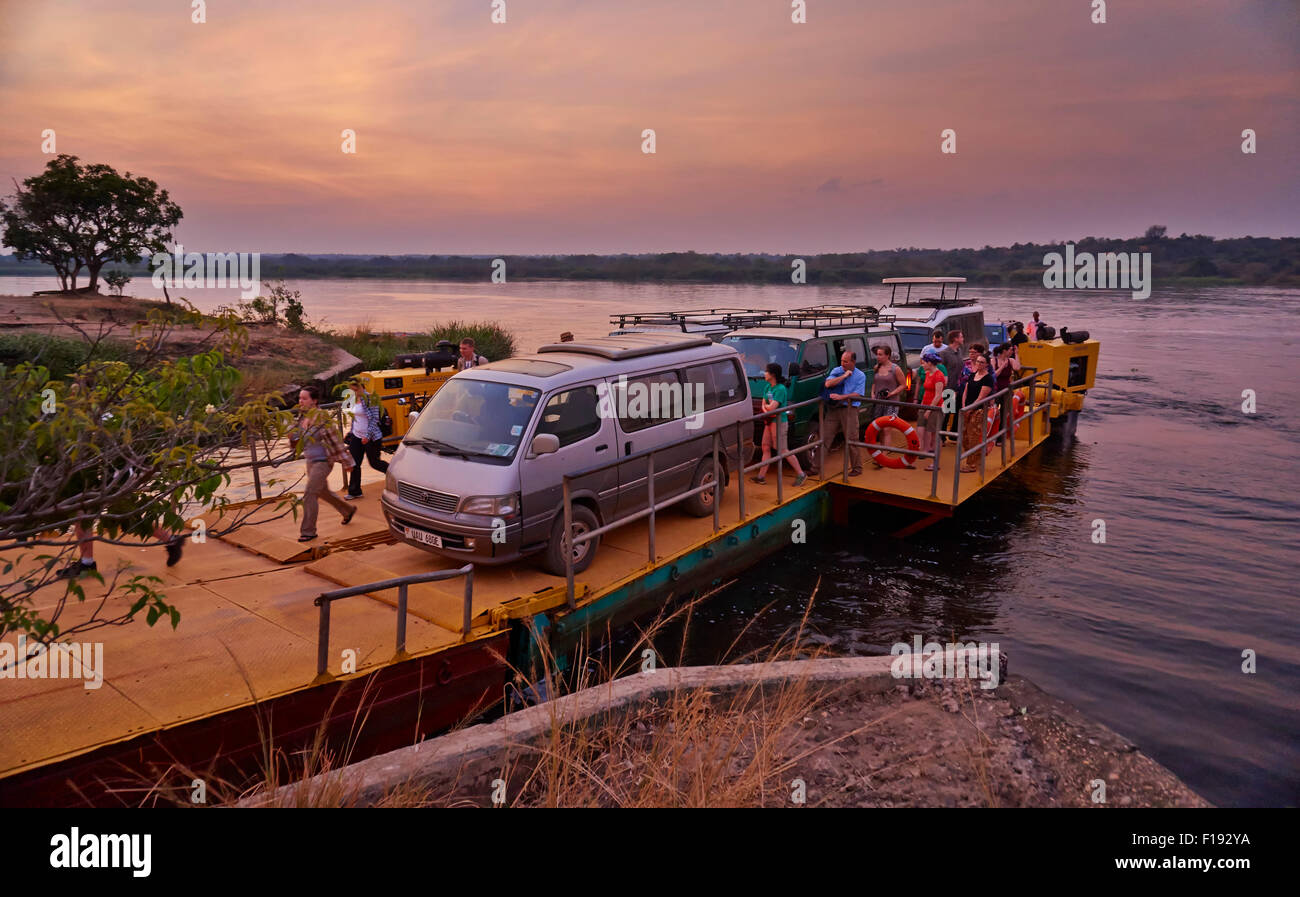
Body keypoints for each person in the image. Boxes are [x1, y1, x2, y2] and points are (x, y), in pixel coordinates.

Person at [289, 385, 356, 542]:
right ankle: (347, 510)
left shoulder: (322, 418)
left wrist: (347, 463)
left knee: (310, 493)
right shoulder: (301, 418)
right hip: (310, 461)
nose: (301, 401)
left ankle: (308, 531)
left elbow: (335, 441)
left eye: (304, 398)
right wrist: (291, 437)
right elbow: (296, 443)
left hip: (323, 461)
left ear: (314, 400)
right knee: (322, 491)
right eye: (300, 398)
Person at [814, 350, 867, 477]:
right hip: (834, 409)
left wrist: (842, 397)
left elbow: (858, 394)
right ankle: (815, 467)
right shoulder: (837, 370)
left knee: (852, 439)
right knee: (825, 438)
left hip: (849, 409)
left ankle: (857, 468)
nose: (842, 363)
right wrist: (843, 376)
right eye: (842, 361)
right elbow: (828, 383)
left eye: (846, 361)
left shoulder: (860, 376)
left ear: (853, 362)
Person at [752, 363, 806, 486]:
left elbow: (772, 407)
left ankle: (801, 474)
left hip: (779, 422)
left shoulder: (780, 389)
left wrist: (767, 408)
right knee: (765, 446)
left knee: (782, 449)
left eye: (766, 371)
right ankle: (761, 476)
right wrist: (767, 408)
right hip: (769, 422)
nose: (764, 373)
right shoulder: (767, 387)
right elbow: (764, 404)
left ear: (773, 374)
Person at [344, 380, 390, 499]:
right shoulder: (353, 399)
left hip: (372, 437)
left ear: (362, 387)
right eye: (351, 390)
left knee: (374, 462)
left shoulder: (371, 399)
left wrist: (367, 436)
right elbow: (355, 418)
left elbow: (375, 419)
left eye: (355, 389)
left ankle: (393, 474)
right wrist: (351, 432)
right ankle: (354, 491)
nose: (353, 392)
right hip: (356, 436)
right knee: (354, 463)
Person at [960, 353, 995, 473]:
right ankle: (977, 459)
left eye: (981, 362)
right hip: (967, 408)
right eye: (977, 361)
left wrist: (970, 409)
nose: (978, 364)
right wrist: (964, 406)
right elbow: (966, 390)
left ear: (986, 365)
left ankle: (972, 464)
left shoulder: (988, 378)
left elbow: (981, 397)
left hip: (979, 410)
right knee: (964, 436)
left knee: (973, 436)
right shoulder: (973, 375)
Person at [918, 353, 947, 472]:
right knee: (921, 428)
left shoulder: (938, 375)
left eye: (924, 362)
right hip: (925, 404)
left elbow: (938, 395)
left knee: (935, 435)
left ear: (929, 363)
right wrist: (922, 406)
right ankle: (924, 450)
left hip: (936, 407)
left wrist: (929, 410)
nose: (922, 364)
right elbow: (927, 391)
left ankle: (936, 462)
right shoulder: (928, 373)